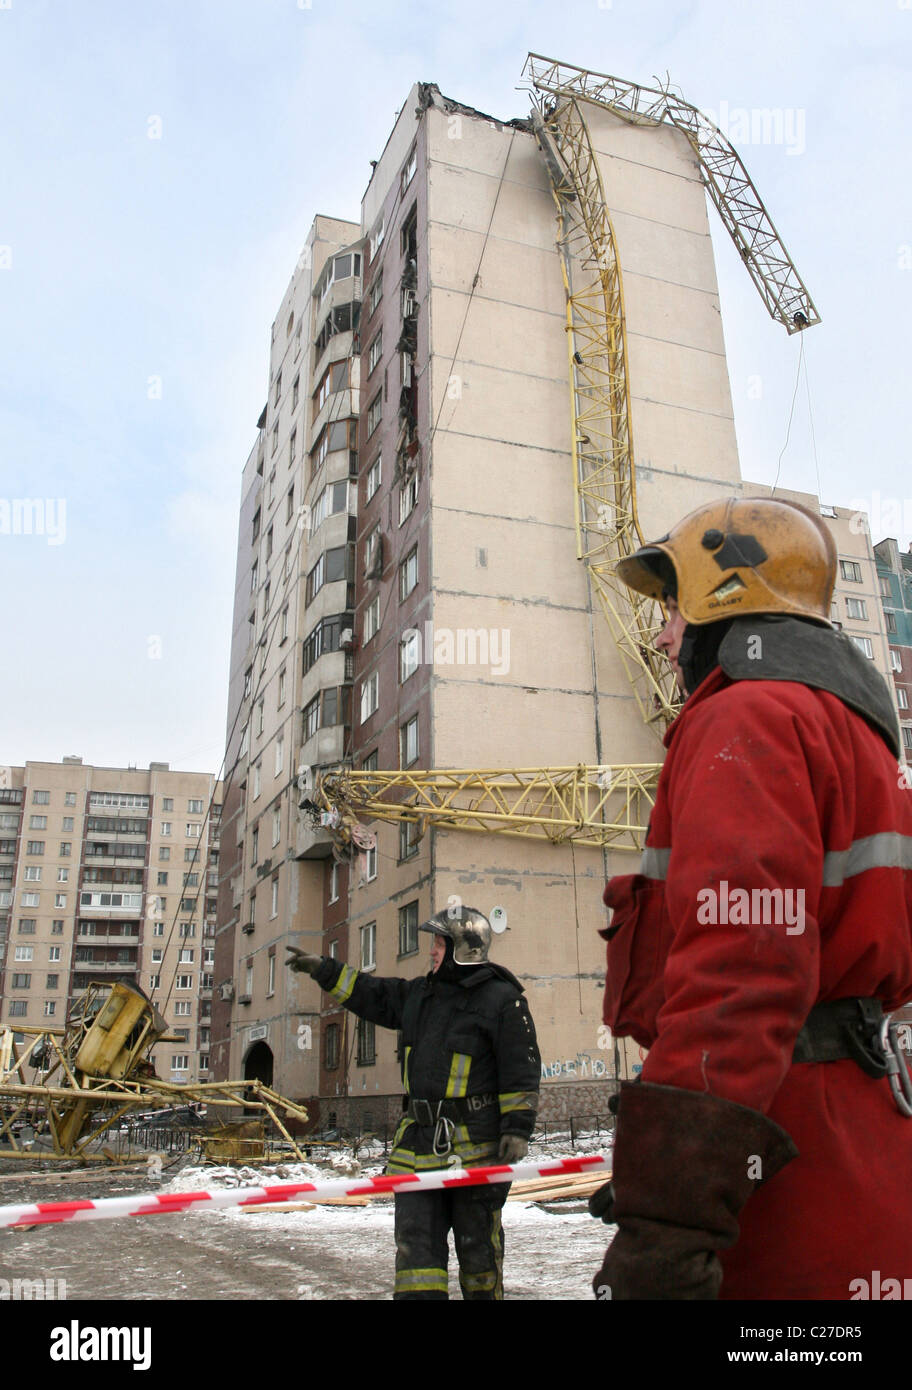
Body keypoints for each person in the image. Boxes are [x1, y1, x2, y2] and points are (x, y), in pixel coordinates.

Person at [594, 495, 912, 1300]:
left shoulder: (748, 716)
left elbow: (738, 983)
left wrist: (670, 1217)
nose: (662, 635)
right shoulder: (853, 732)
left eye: (672, 609)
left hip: (780, 1160)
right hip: (859, 1140)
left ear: (724, 599)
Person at [286, 905, 540, 1300]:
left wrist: (517, 1127)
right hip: (418, 1151)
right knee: (415, 1263)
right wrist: (324, 969)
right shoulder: (421, 995)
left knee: (479, 1262)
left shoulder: (502, 1000)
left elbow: (521, 1067)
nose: (432, 951)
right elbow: (373, 995)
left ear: (463, 948)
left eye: (440, 943)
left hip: (475, 1152)